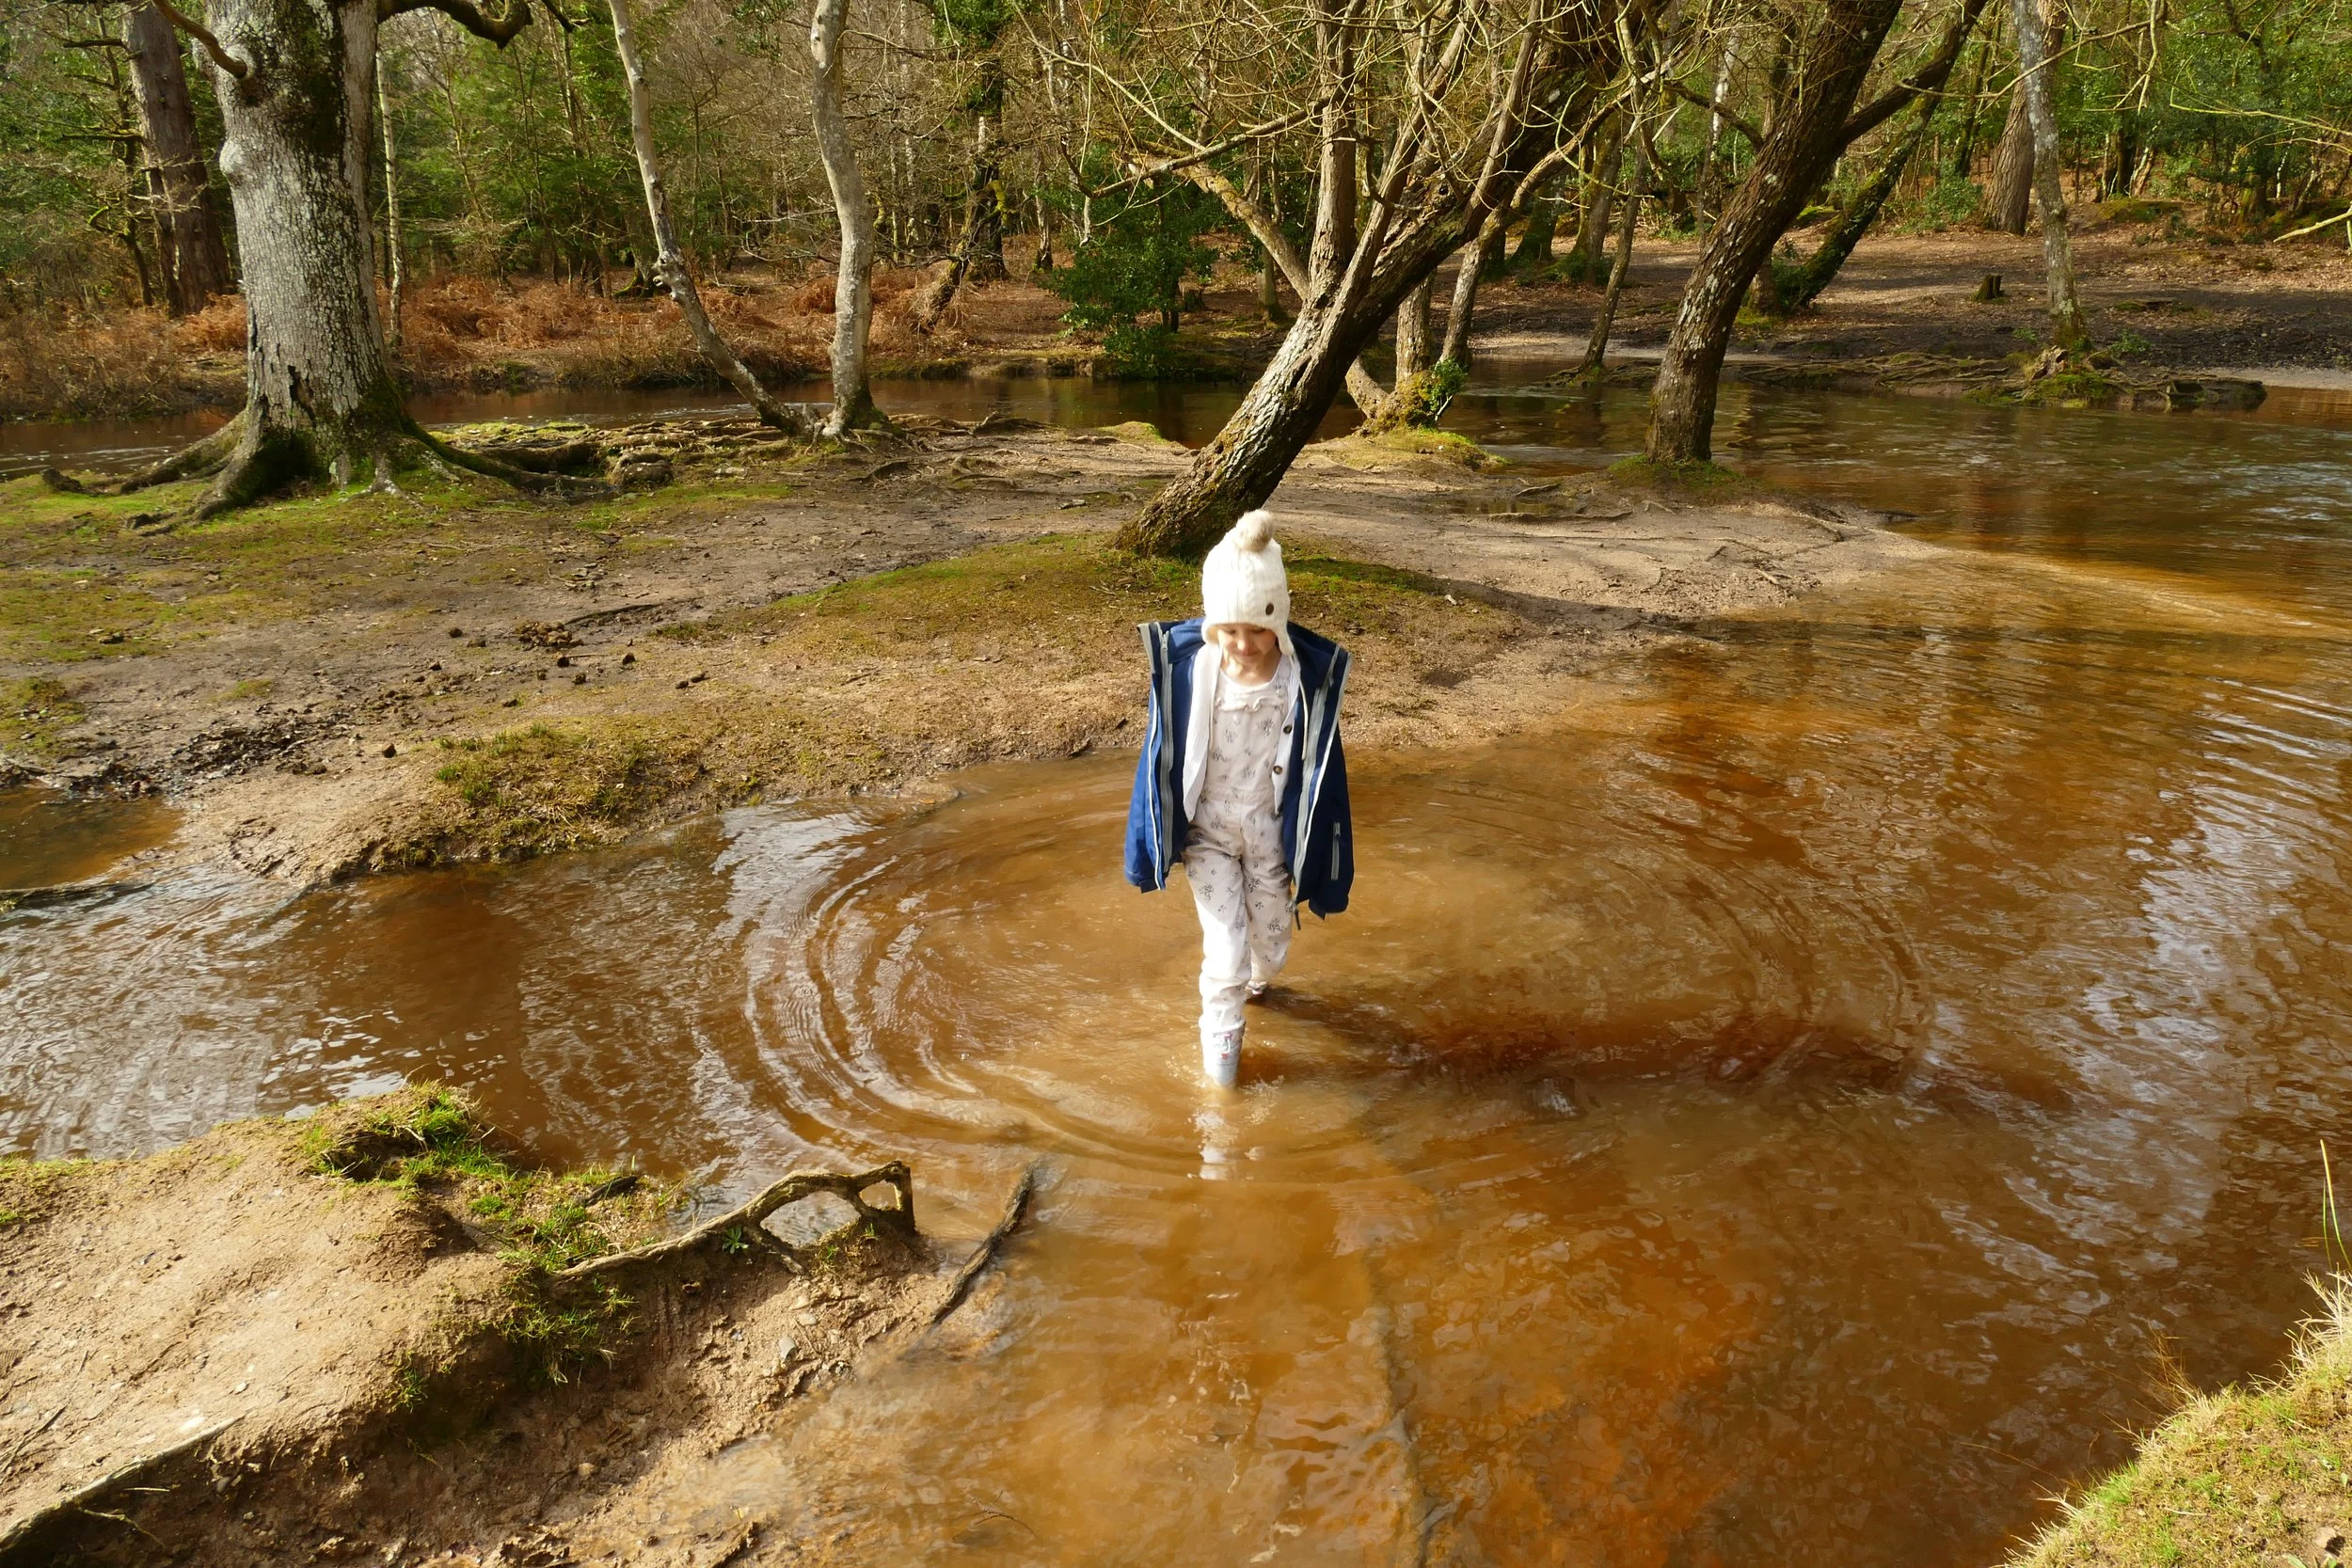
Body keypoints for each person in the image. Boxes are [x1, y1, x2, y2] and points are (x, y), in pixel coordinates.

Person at [1123, 509, 1354, 1090]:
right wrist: (1152, 838)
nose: (1243, 645)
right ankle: (1221, 1081)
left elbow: (1322, 773)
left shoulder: (1302, 682)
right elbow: (1159, 760)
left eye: (1257, 629)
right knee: (1224, 949)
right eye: (1229, 630)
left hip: (1269, 830)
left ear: (1278, 620)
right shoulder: (1193, 674)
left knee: (1270, 946)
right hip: (1209, 835)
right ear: (1211, 626)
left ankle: (1257, 978)